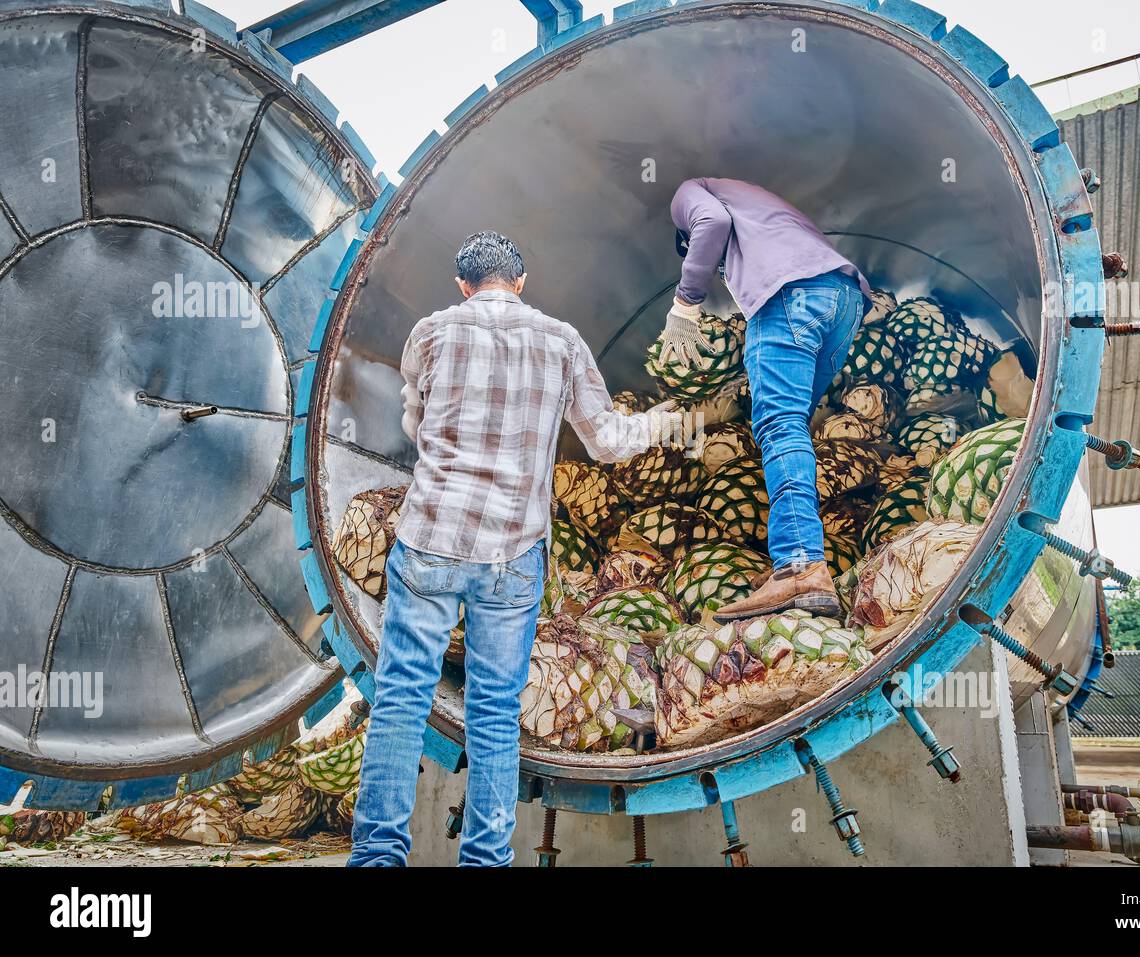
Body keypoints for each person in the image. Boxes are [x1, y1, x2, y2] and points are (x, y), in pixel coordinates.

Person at [349, 230, 681, 866]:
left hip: (430, 545)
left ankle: (376, 858)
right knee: (495, 714)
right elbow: (607, 442)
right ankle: (484, 860)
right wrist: (667, 420)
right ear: (521, 283)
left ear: (464, 286)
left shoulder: (431, 331)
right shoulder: (560, 340)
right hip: (512, 557)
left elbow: (415, 428)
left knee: (401, 697)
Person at [662, 177, 870, 621]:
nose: (722, 273)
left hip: (789, 297)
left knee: (779, 426)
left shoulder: (690, 193)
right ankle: (799, 558)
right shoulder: (769, 212)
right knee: (790, 423)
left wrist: (686, 301)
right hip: (844, 300)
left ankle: (799, 564)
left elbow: (711, 222)